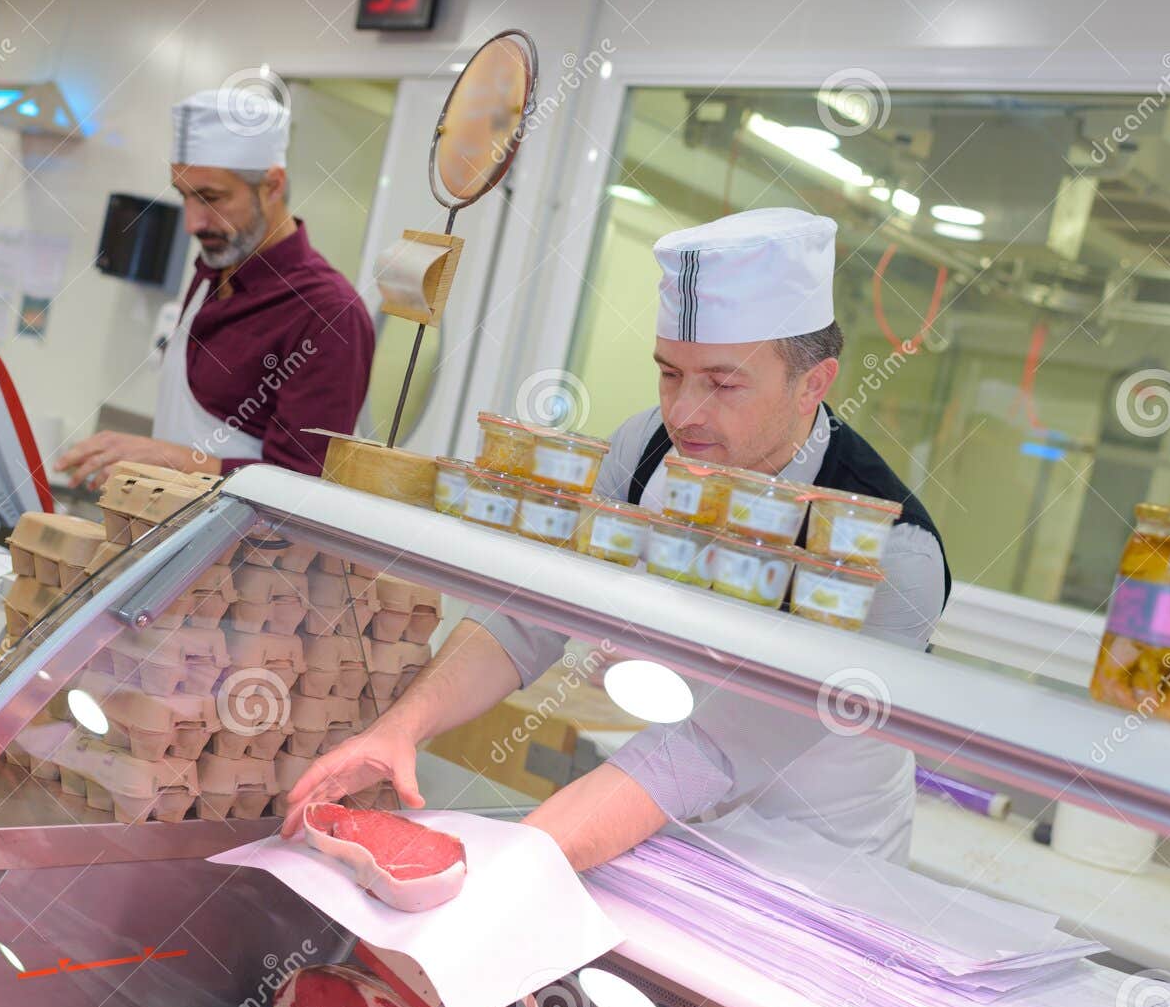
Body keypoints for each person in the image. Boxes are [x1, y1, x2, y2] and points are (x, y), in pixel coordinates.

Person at [281, 207, 951, 870]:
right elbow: (526, 617)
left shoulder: (892, 551)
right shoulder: (645, 450)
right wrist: (398, 730)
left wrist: (512, 864)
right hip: (658, 824)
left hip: (814, 863)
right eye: (669, 373)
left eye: (722, 383)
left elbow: (709, 749)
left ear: (814, 384)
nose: (685, 413)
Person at [57, 88, 375, 488]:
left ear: (273, 185)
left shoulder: (328, 314)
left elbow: (301, 489)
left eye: (211, 198)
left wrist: (169, 459)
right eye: (184, 196)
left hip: (245, 552)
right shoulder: (214, 264)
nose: (193, 223)